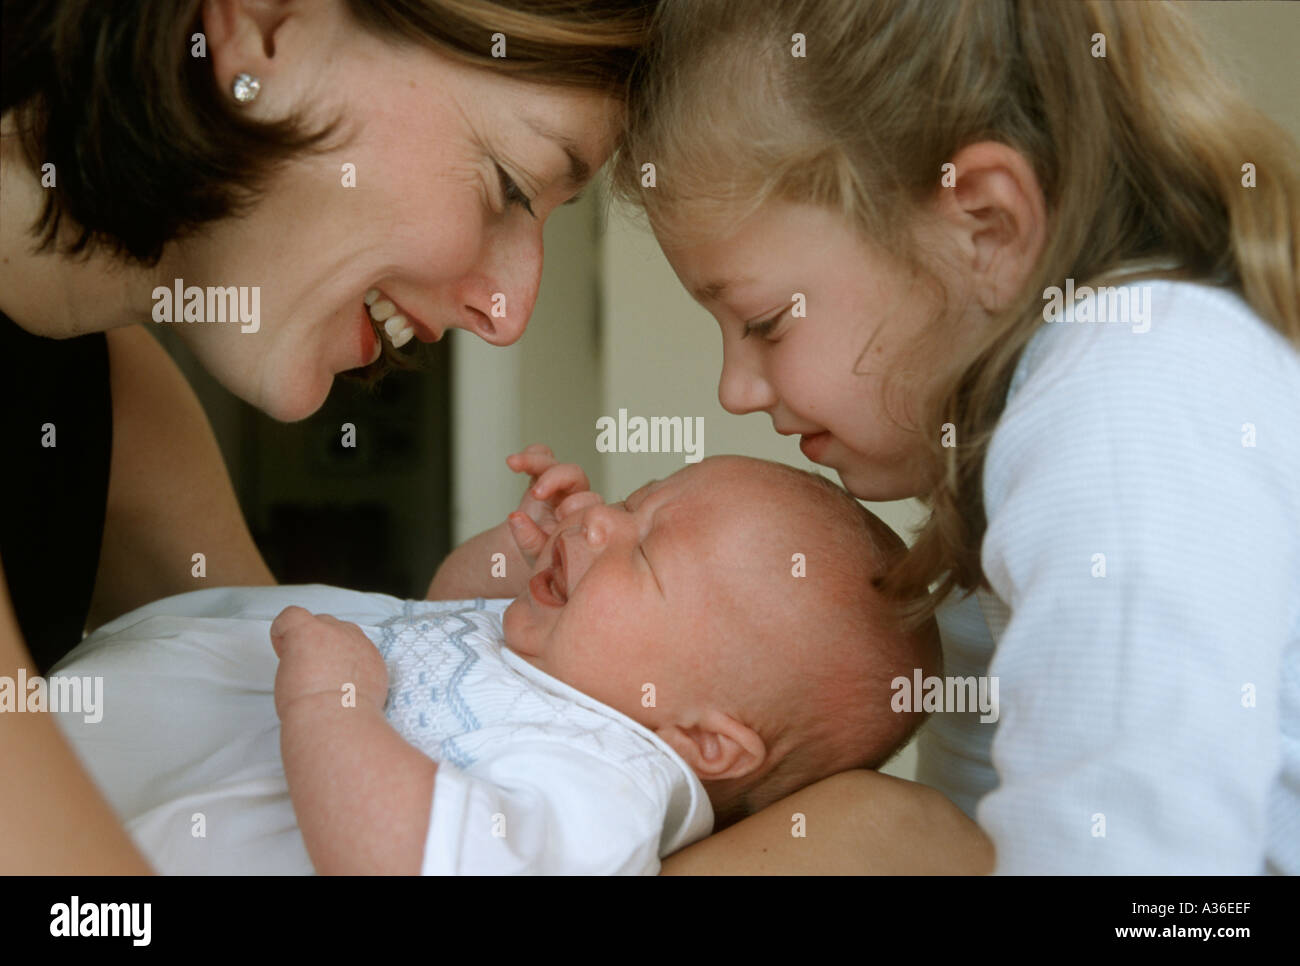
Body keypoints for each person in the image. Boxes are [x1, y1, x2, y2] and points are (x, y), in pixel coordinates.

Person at [610, 0, 1300, 873]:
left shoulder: (1128, 391)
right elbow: (985, 829)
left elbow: (1137, 860)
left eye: (766, 321)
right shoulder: (999, 465)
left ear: (986, 226)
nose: (736, 390)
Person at [0, 0, 657, 873]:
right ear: (268, 24)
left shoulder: (104, 395)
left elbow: (266, 745)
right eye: (508, 184)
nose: (509, 312)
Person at [51, 449, 953, 874]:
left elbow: (403, 861)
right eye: (636, 501)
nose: (600, 520)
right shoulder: (572, 670)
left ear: (705, 742)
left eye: (642, 555)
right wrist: (517, 557)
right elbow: (449, 618)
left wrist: (329, 704)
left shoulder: (603, 785)